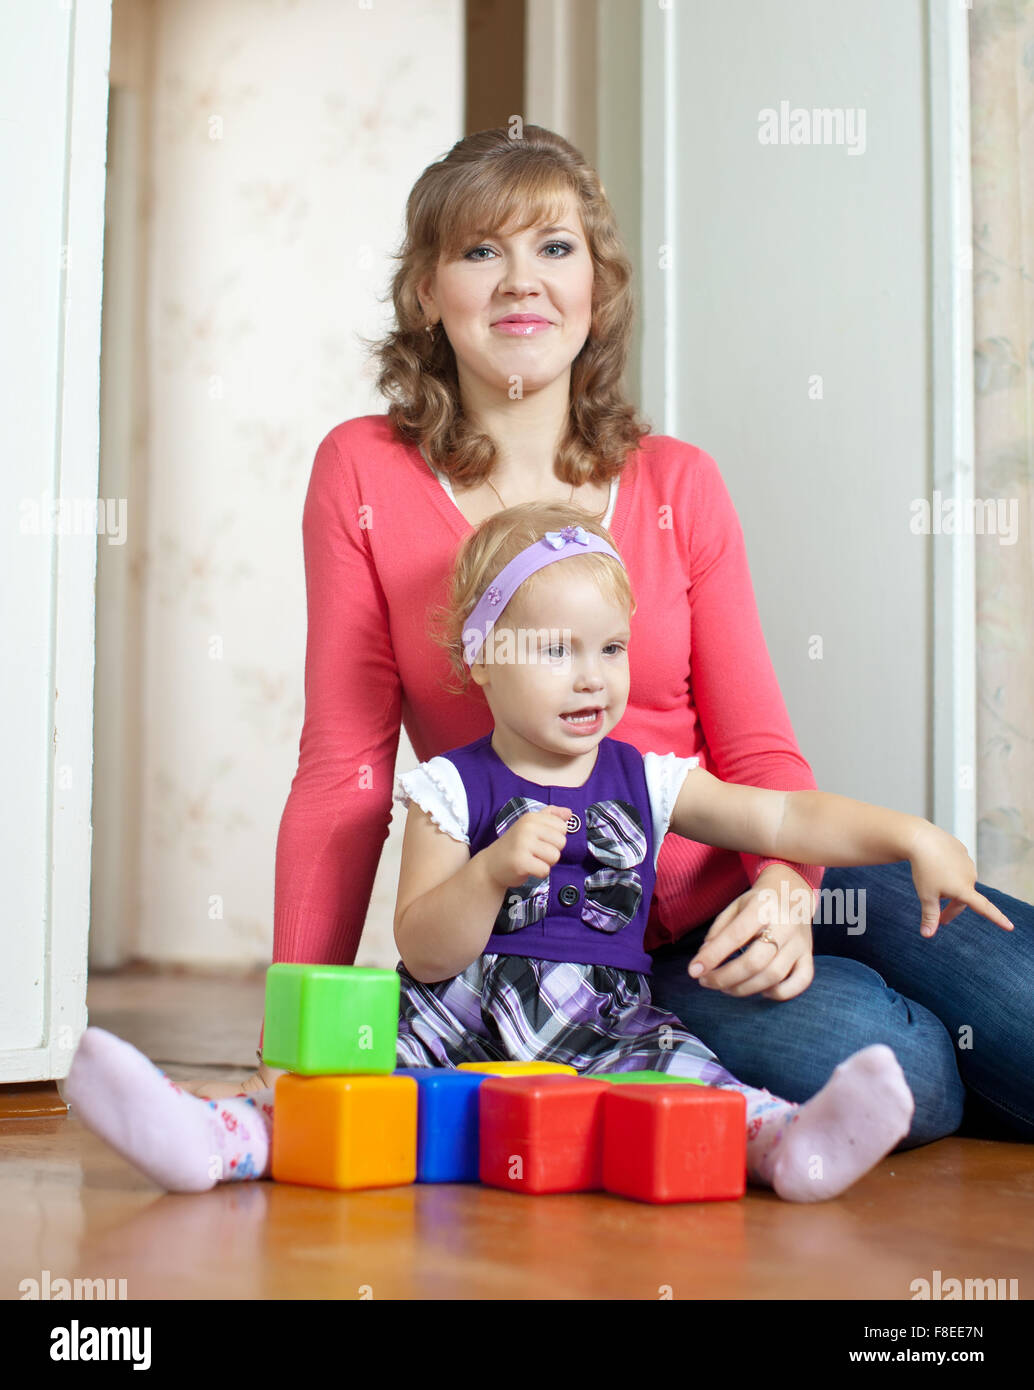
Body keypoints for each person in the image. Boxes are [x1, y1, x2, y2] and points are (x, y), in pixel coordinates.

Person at [184, 125, 1033, 1147]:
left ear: (597, 287)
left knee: (1018, 1005)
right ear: (425, 291)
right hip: (604, 959)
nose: (518, 283)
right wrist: (298, 1038)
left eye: (553, 247)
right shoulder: (362, 472)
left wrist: (780, 894)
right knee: (906, 1070)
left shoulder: (679, 481)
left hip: (766, 865)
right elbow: (344, 774)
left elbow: (759, 753)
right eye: (477, 251)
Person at [64, 502, 1014, 1201]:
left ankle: (784, 1149)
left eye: (610, 649)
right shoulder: (451, 787)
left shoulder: (645, 778)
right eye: (558, 650)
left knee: (694, 1081)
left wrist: (913, 834)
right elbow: (426, 946)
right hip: (449, 1018)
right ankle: (213, 1138)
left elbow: (780, 821)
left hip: (606, 1022)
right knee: (334, 1091)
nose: (593, 677)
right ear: (481, 658)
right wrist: (488, 871)